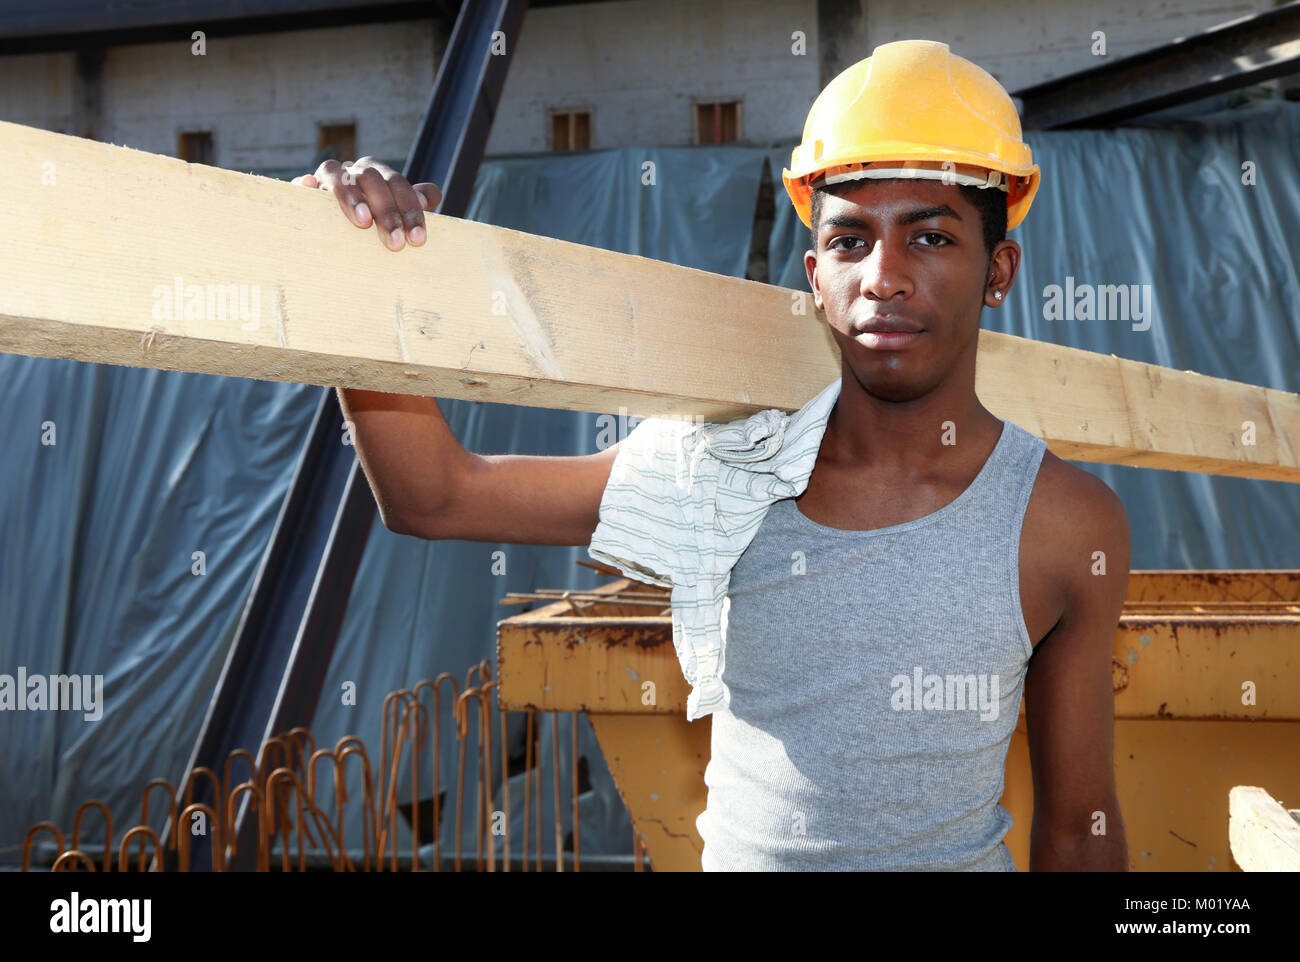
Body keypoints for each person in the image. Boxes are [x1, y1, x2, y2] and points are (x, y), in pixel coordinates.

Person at [293, 39, 1129, 871]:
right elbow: (434, 497)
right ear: (814, 275)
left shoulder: (1063, 523)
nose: (883, 276)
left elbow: (1078, 825)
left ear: (999, 270)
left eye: (931, 238)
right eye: (849, 241)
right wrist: (356, 278)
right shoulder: (726, 470)